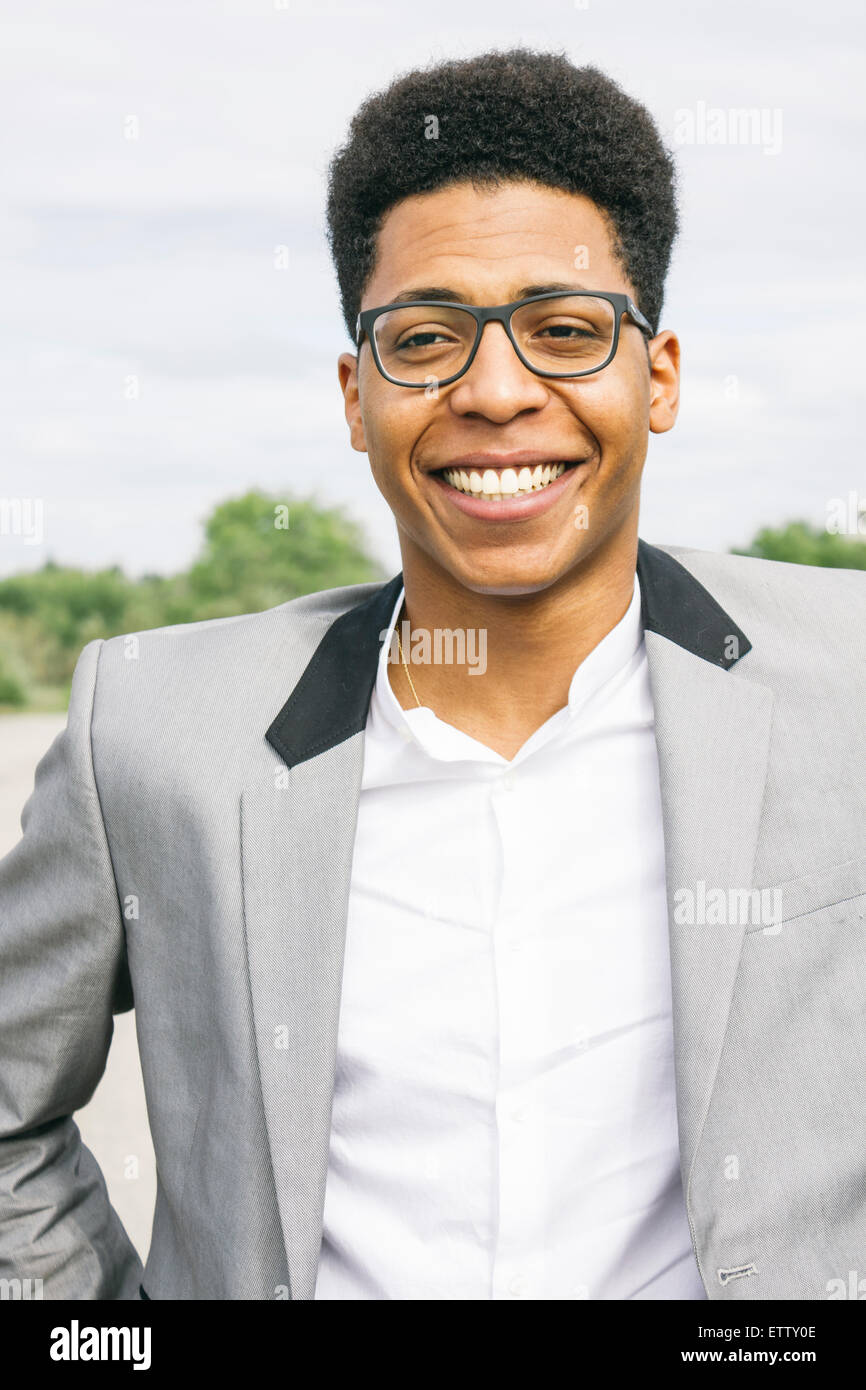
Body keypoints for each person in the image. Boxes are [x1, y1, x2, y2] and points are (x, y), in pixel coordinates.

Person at [1, 47, 864, 1302]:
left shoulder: (850, 685)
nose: (497, 391)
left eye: (564, 331)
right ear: (357, 398)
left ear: (655, 376)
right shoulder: (151, 732)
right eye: (426, 337)